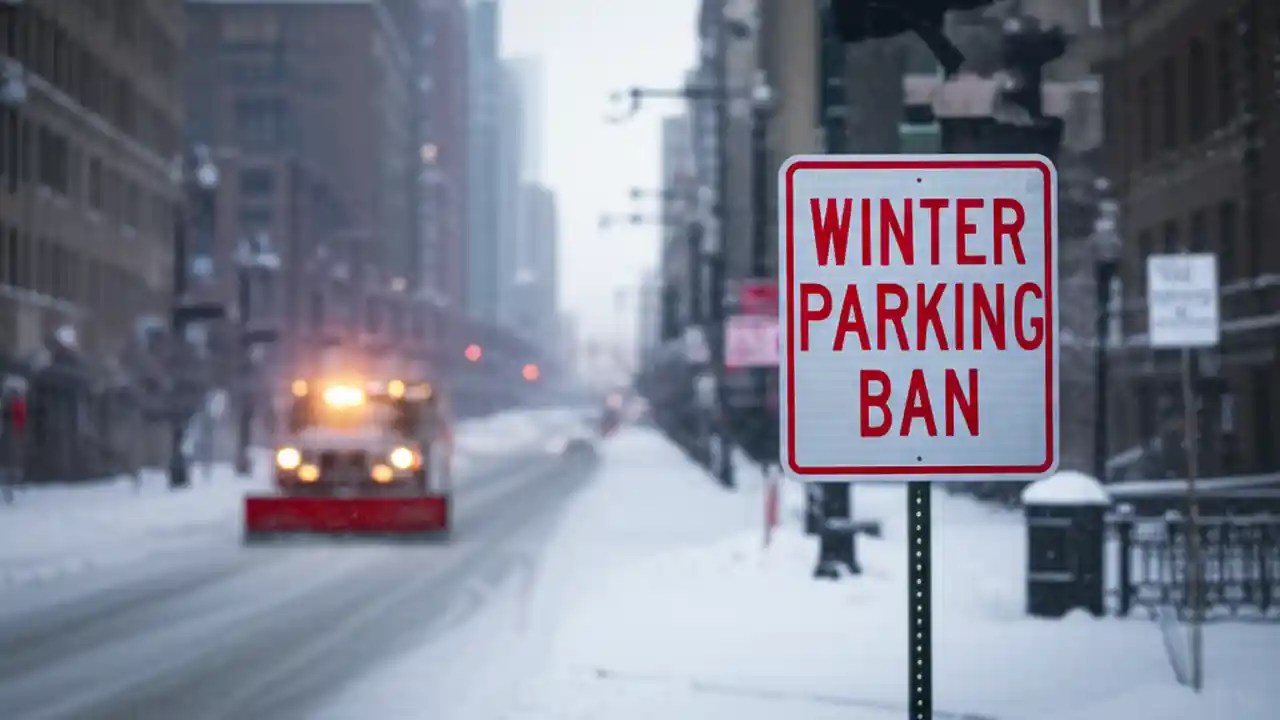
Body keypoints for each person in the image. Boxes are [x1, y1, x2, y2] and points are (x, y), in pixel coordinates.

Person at [1, 381, 29, 504]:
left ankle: (11, 484)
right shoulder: (13, 403)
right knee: (10, 460)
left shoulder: (15, 403)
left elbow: (21, 417)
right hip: (11, 433)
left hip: (13, 432)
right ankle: (10, 485)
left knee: (12, 460)